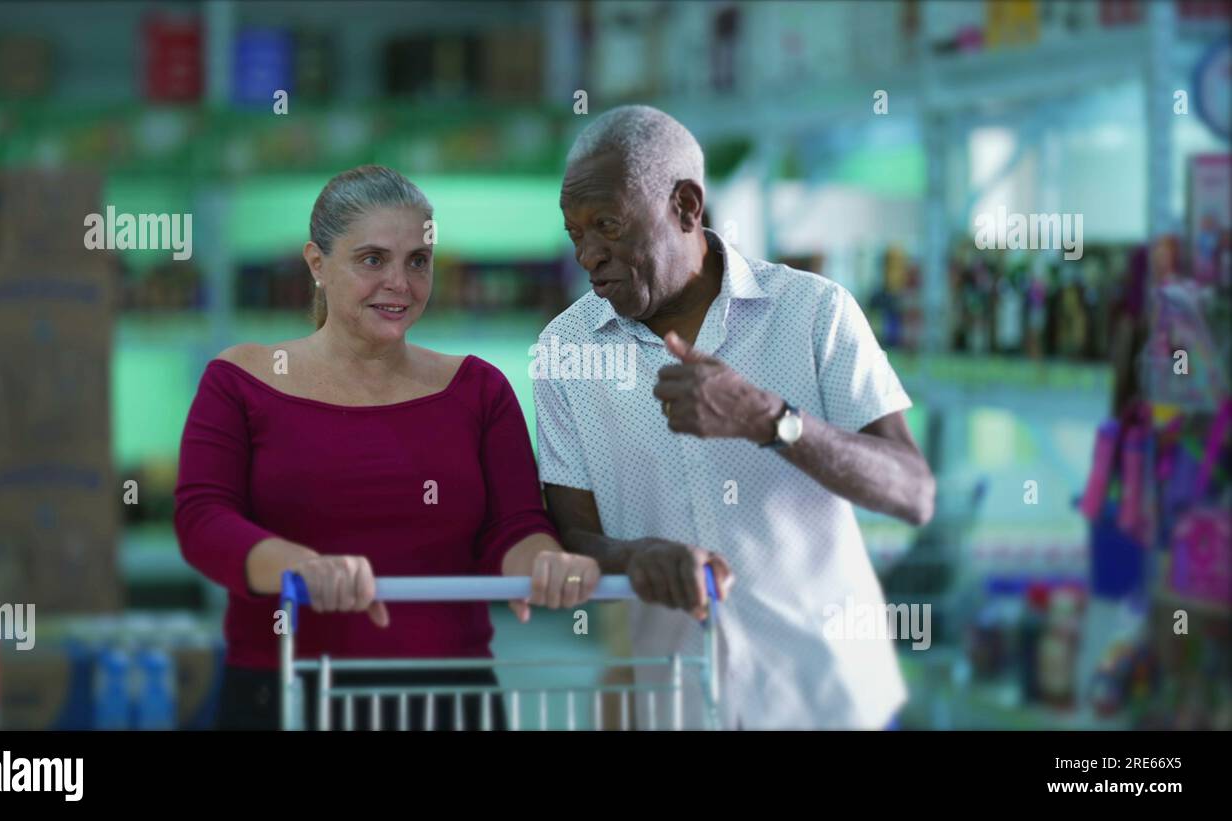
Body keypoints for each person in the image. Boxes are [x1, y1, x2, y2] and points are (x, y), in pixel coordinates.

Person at [534, 106, 936, 729]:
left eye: (607, 225)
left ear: (687, 206)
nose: (588, 254)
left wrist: (771, 420)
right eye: (575, 232)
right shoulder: (566, 352)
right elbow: (571, 534)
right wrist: (636, 556)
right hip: (675, 704)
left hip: (823, 698)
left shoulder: (813, 313)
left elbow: (913, 492)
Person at [175, 165, 599, 730]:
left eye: (417, 262)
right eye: (372, 260)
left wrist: (543, 562)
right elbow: (203, 519)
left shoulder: (479, 390)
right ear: (317, 263)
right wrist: (298, 567)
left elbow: (513, 525)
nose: (399, 283)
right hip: (284, 692)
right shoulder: (239, 381)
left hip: (449, 697)